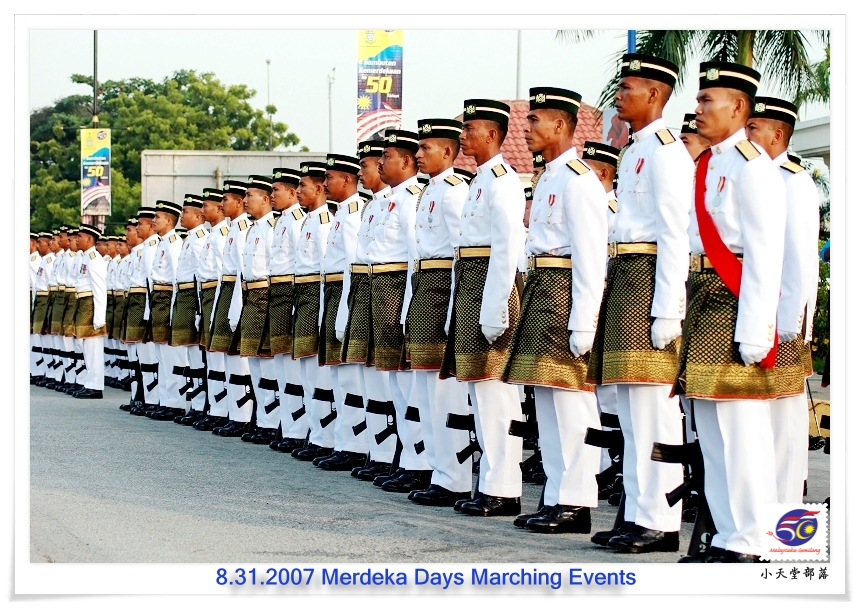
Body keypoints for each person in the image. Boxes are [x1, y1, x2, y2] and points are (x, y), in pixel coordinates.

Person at [675, 61, 786, 562]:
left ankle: (756, 537)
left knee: (742, 430)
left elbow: (764, 253)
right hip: (704, 296)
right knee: (711, 427)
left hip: (734, 298)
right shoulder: (709, 164)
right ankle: (727, 533)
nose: (698, 109)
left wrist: (758, 328)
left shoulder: (752, 166)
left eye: (707, 100)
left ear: (738, 106)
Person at [586, 54, 692, 553]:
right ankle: (635, 511)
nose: (618, 96)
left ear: (654, 93)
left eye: (627, 88)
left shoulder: (668, 152)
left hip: (650, 280)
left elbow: (674, 234)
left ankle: (661, 520)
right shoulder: (634, 150)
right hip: (627, 278)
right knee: (630, 410)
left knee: (653, 408)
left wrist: (668, 307)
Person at [503, 87, 606, 533]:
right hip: (542, 290)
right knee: (546, 402)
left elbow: (590, 257)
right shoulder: (548, 177)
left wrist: (584, 322)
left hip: (565, 294)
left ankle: (577, 501)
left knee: (571, 403)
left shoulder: (580, 180)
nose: (526, 128)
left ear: (561, 125)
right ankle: (556, 494)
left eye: (534, 120)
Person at [441, 98, 526, 517]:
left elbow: (506, 248)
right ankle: (491, 482)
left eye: (470, 129)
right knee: (480, 390)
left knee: (496, 393)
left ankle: (504, 487)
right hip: (473, 285)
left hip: (491, 290)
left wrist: (495, 310)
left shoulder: (502, 181)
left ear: (492, 134)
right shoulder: (481, 180)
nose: (463, 136)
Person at [746, 96, 820, 504]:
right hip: (757, 313)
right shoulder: (754, 176)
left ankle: (789, 521)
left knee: (784, 425)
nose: (746, 134)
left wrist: (789, 323)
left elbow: (800, 259)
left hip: (782, 317)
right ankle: (764, 514)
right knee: (761, 421)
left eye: (753, 128)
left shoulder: (793, 180)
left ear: (777, 134)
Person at [404, 118, 473, 505]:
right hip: (424, 287)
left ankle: (455, 477)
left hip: (444, 288)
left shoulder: (454, 192)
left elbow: (462, 254)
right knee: (426, 389)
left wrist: (453, 309)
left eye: (425, 148)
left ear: (447, 152)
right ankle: (438, 471)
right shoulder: (428, 191)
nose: (418, 154)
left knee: (445, 391)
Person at [341, 141, 396, 481]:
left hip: (388, 292)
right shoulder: (372, 206)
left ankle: (389, 454)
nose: (362, 172)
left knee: (386, 380)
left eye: (367, 164)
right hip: (366, 289)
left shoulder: (400, 201)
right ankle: (378, 451)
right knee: (368, 377)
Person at [315, 153, 369, 470]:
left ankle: (355, 445)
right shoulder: (341, 214)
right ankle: (343, 441)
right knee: (338, 375)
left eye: (330, 178)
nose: (325, 183)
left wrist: (345, 311)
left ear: (347, 179)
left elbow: (351, 267)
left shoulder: (354, 215)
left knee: (349, 377)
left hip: (345, 293)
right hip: (334, 292)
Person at [290, 161, 334, 460]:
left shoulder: (324, 222)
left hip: (316, 295)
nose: (298, 191)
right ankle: (315, 432)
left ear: (319, 189)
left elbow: (324, 269)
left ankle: (324, 437)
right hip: (302, 294)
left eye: (303, 185)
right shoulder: (307, 220)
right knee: (306, 369)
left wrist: (320, 311)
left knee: (319, 373)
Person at [206, 180, 256, 437]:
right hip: (226, 291)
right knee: (228, 355)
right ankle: (233, 412)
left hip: (238, 292)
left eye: (226, 199)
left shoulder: (244, 228)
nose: (222, 204)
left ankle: (243, 416)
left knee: (239, 358)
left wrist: (236, 307)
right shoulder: (233, 229)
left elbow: (241, 272)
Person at [265, 170, 309, 452]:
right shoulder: (281, 221)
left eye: (277, 190)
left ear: (292, 193)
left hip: (290, 292)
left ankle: (298, 429)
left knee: (293, 367)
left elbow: (298, 265)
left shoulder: (297, 221)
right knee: (280, 362)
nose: (272, 195)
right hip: (276, 292)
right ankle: (288, 424)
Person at [237, 176, 280, 444]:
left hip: (266, 295)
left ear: (265, 199)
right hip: (250, 295)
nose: (245, 201)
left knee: (268, 362)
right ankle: (262, 418)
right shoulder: (253, 229)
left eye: (249, 195)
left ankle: (272, 422)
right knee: (254, 360)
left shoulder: (273, 227)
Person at [190, 188, 231, 428]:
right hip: (207, 295)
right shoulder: (212, 235)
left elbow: (222, 273)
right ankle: (214, 407)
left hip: (218, 293)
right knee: (211, 355)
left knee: (219, 356)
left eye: (207, 206)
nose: (203, 210)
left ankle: (222, 410)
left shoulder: (223, 234)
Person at [169, 194, 210, 425]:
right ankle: (196, 403)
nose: (181, 216)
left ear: (197, 216)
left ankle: (203, 404)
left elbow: (201, 276)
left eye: (185, 212)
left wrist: (198, 309)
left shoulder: (200, 239)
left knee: (198, 354)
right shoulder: (190, 239)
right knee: (192, 354)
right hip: (185, 296)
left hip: (194, 298)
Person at [146, 200, 187, 420]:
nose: (153, 221)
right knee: (161, 355)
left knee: (172, 356)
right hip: (158, 299)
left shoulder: (174, 243)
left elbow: (177, 279)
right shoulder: (161, 243)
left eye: (157, 217)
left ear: (169, 221)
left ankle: (176, 402)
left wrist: (173, 311)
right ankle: (165, 400)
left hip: (169, 298)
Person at [71, 223, 108, 399]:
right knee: (85, 346)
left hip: (91, 305)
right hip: (83, 303)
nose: (77, 240)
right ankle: (89, 383)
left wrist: (99, 317)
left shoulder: (94, 259)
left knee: (93, 347)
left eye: (80, 237)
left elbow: (99, 289)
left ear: (89, 239)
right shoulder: (84, 257)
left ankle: (95, 386)